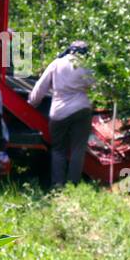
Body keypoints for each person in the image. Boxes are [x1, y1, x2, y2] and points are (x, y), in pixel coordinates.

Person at [28, 40, 95, 187]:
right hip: (82, 109)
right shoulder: (87, 66)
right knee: (78, 149)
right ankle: (73, 185)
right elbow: (96, 87)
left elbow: (40, 87)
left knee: (59, 149)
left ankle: (57, 184)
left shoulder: (56, 63)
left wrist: (32, 103)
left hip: (59, 112)